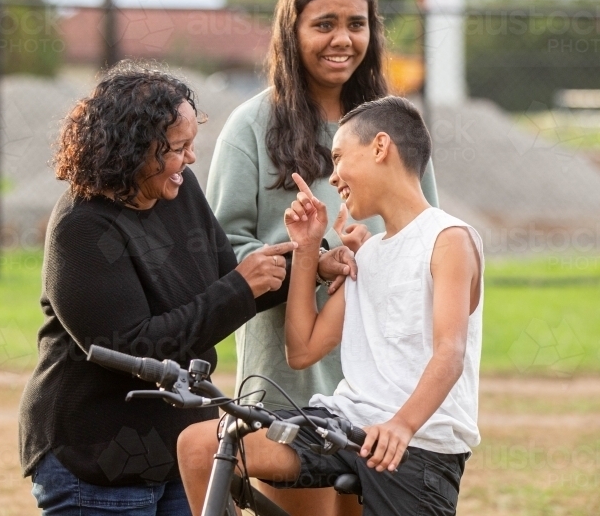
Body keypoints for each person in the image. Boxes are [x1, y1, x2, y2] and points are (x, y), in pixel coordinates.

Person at [18, 62, 349, 515]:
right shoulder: (82, 227)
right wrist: (239, 286)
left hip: (178, 444)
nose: (191, 159)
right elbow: (137, 347)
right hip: (97, 457)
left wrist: (312, 266)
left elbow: (225, 281)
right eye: (178, 148)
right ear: (133, 150)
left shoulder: (179, 190)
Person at [205, 0, 439, 514]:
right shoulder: (251, 127)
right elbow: (216, 252)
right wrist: (309, 259)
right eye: (324, 24)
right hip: (290, 377)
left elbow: (428, 239)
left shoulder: (397, 128)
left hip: (381, 382)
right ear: (293, 31)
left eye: (355, 24)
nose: (342, 39)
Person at [179, 96, 483, 516]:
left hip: (417, 445)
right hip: (341, 426)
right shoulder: (366, 254)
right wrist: (306, 250)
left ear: (380, 147)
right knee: (199, 446)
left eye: (339, 158)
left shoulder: (448, 238)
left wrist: (402, 424)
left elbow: (450, 351)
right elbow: (302, 350)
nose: (333, 176)